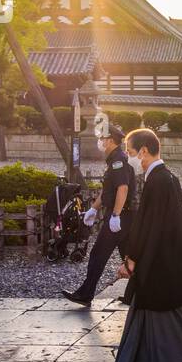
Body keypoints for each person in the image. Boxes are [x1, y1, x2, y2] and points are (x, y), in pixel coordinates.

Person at [94, 128, 182, 362]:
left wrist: (132, 259)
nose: (129, 157)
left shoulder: (158, 181)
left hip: (165, 267)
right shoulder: (165, 177)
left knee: (176, 320)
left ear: (144, 151)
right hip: (170, 262)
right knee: (140, 314)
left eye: (131, 151)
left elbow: (151, 226)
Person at [64, 125, 134, 307]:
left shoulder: (118, 160)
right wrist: (93, 210)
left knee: (97, 255)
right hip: (123, 216)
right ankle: (137, 296)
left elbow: (123, 188)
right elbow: (107, 191)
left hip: (120, 216)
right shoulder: (115, 159)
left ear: (110, 140)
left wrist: (116, 215)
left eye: (102, 139)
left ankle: (85, 294)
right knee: (129, 256)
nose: (100, 142)